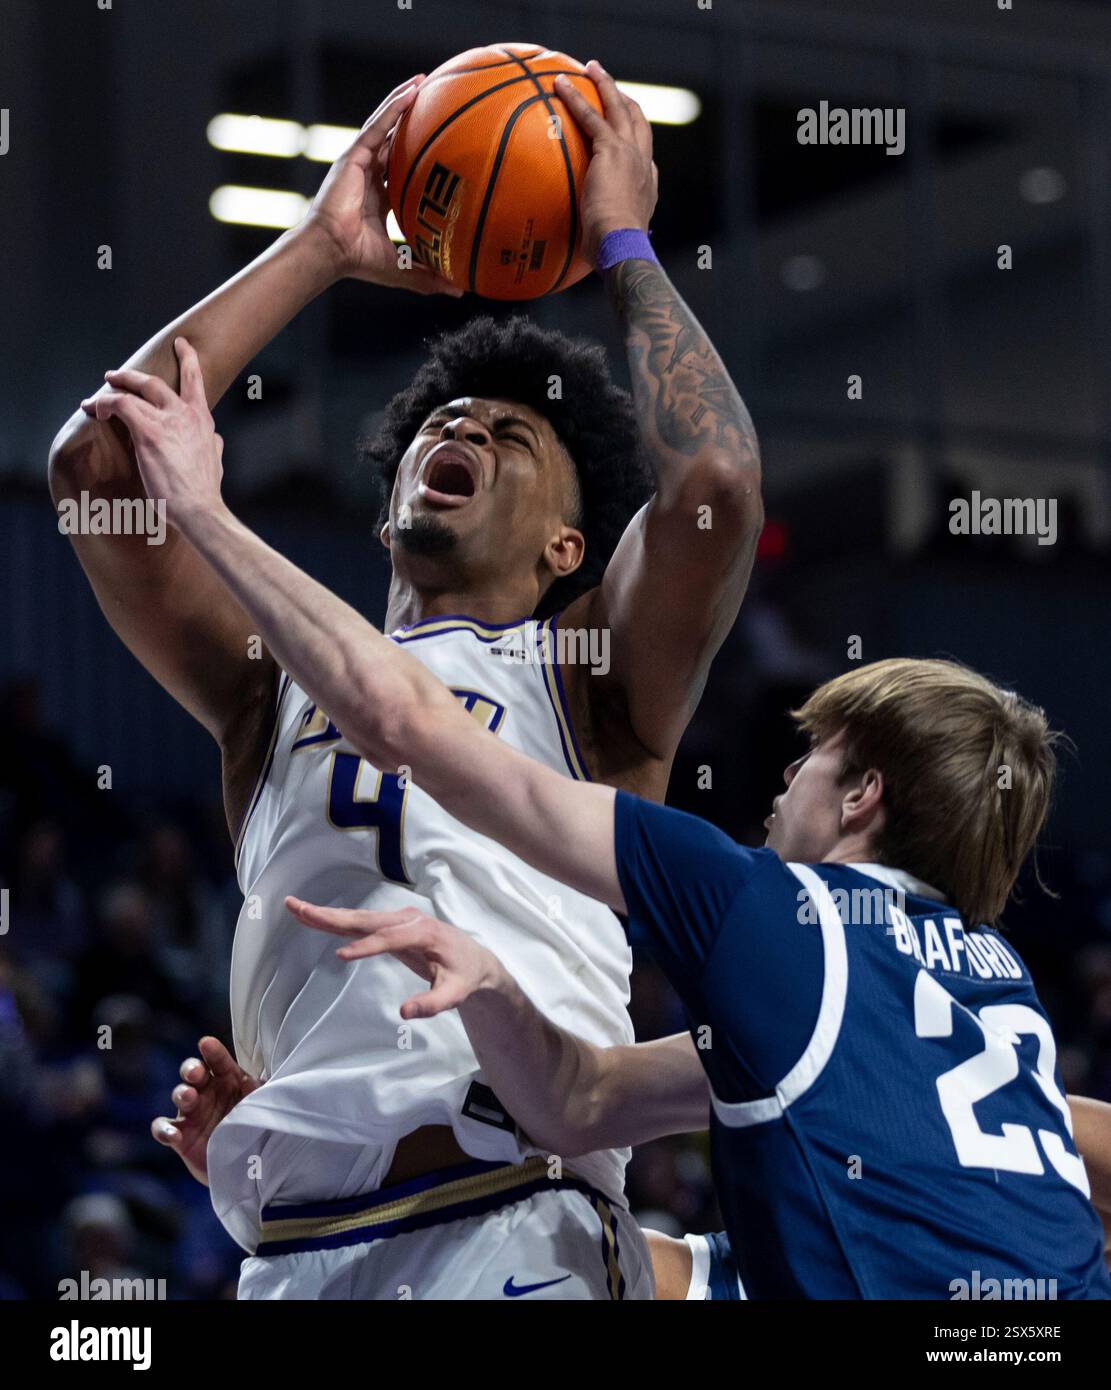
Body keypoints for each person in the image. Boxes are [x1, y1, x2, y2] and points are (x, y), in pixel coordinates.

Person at [51, 63, 762, 1299]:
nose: (464, 432)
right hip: (298, 1252)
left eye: (511, 435)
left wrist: (621, 241)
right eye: (446, 423)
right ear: (387, 504)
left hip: (514, 1222)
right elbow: (99, 466)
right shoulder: (272, 683)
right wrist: (320, 247)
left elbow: (713, 491)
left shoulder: (588, 678)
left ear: (566, 548)